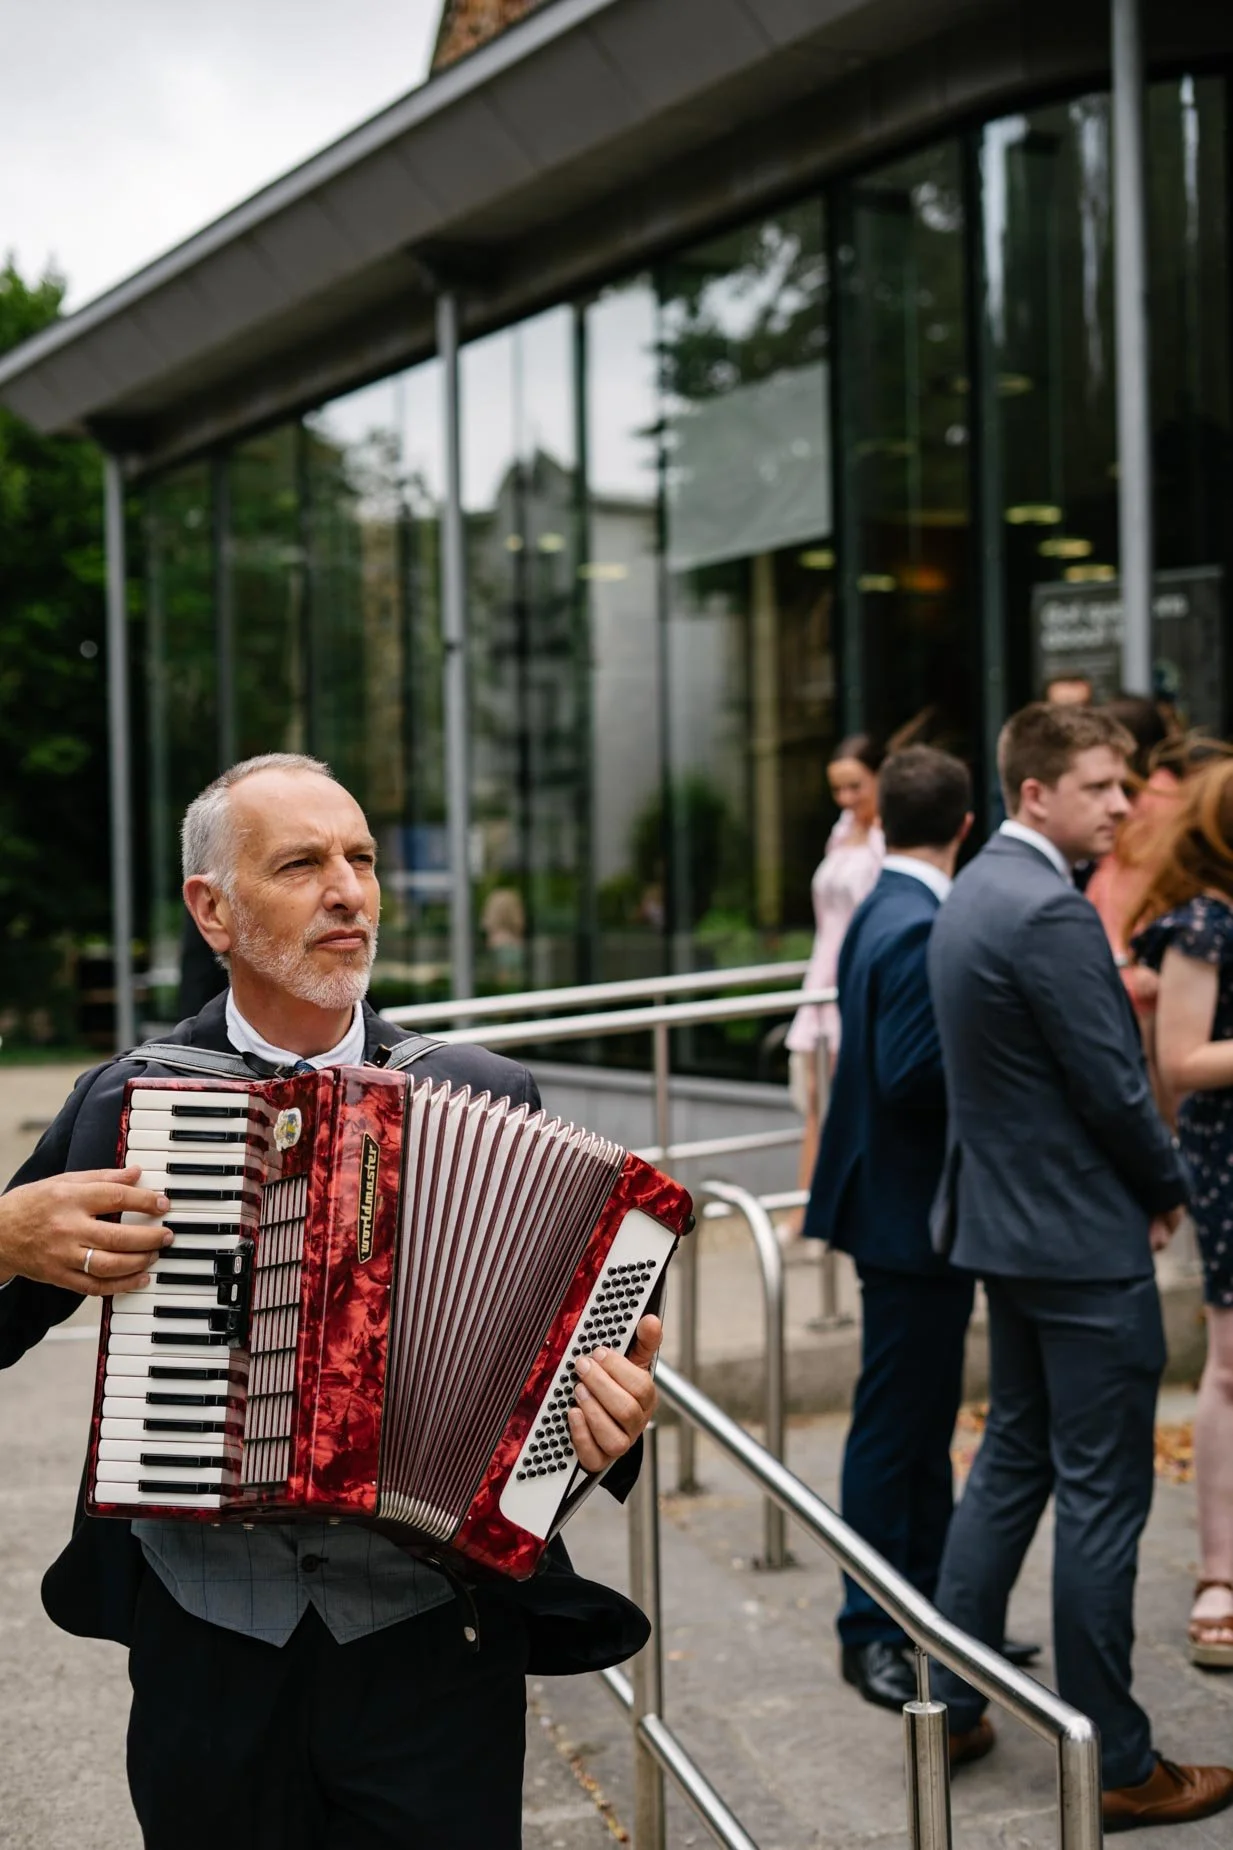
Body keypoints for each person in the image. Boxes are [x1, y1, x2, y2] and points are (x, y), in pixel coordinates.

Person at [0, 752, 661, 1850]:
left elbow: (564, 1387)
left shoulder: (485, 1093)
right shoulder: (133, 1099)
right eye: (303, 864)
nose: (350, 889)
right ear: (212, 909)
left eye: (360, 858)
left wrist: (611, 1417)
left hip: (429, 1645)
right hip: (209, 1644)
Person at [924, 702, 1233, 1831]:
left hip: (1010, 1232)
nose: (1123, 801)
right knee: (1104, 1492)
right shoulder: (1046, 905)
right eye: (1102, 784)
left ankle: (949, 1697)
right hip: (1077, 1238)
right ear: (1037, 791)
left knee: (1012, 1457)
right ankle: (1115, 1758)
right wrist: (1164, 1189)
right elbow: (1113, 1081)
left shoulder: (974, 892)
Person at [806, 747, 986, 1708]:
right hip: (910, 1212)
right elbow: (914, 1073)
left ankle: (932, 1614)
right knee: (893, 1430)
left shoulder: (887, 901)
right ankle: (870, 1627)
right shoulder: (917, 920)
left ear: (884, 820)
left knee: (917, 1426)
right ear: (968, 825)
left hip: (897, 1207)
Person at [1130, 760, 1233, 1670]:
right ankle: (1220, 1575)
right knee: (1230, 1368)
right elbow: (1181, 1061)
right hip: (1228, 1162)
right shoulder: (1203, 920)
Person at [782, 735, 885, 1238]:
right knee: (815, 1098)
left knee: (846, 1100)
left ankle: (832, 1212)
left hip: (854, 980)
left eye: (855, 786)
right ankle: (808, 1209)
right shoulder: (842, 829)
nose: (846, 798)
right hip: (823, 975)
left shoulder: (890, 838)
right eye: (837, 789)